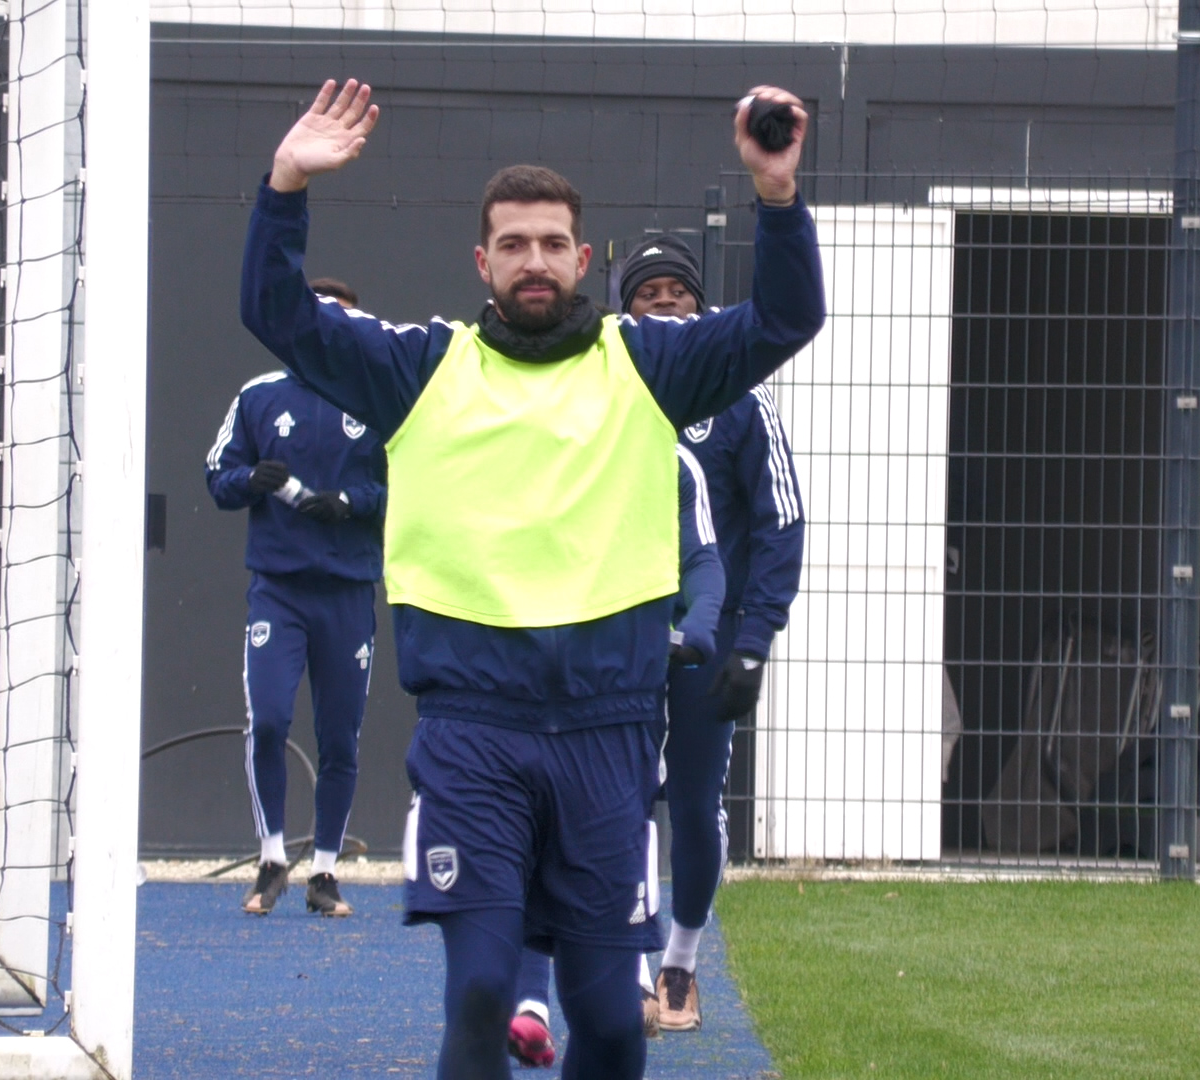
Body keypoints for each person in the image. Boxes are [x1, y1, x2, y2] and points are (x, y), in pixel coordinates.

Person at [240, 78, 821, 1080]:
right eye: (514, 244)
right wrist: (287, 183)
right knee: (477, 994)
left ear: (583, 257)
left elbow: (782, 320)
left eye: (553, 243)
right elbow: (278, 314)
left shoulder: (649, 364)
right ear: (483, 261)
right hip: (474, 735)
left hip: (608, 735)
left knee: (603, 1015)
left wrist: (777, 193)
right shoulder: (423, 368)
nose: (535, 262)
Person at [620, 232, 806, 1034]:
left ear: (702, 306)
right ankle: (626, 963)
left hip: (710, 640)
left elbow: (780, 524)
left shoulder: (739, 397)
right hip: (614, 634)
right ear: (623, 309)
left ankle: (682, 964)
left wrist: (754, 638)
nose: (665, 306)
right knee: (618, 801)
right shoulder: (602, 387)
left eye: (678, 294)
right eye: (647, 295)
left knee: (694, 806)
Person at [507, 444, 726, 1068]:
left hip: (624, 691)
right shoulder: (525, 433)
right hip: (529, 679)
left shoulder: (670, 460)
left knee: (624, 816)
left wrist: (701, 624)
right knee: (529, 826)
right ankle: (527, 1001)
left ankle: (628, 973)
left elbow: (703, 558)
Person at [205, 278, 387, 918]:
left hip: (348, 592)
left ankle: (327, 871)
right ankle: (273, 856)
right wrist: (252, 480)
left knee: (341, 737)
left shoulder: (379, 396)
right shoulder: (259, 396)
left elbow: (407, 484)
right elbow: (217, 477)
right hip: (279, 592)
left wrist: (349, 503)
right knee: (273, 719)